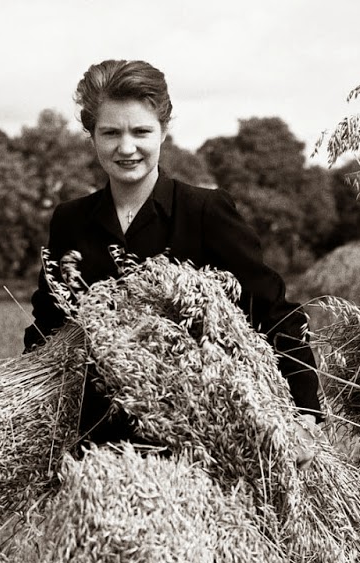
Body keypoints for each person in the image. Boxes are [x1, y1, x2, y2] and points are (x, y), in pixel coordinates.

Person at [25, 58, 322, 456]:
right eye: (110, 132)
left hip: (196, 439)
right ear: (91, 135)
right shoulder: (70, 220)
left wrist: (304, 411)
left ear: (163, 131)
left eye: (141, 132)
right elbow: (48, 325)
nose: (126, 148)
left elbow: (271, 309)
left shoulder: (205, 212)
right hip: (92, 438)